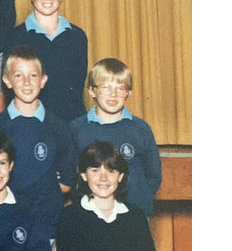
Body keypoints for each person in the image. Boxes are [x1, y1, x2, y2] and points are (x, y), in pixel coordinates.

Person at [0, 46, 77, 230]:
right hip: (4, 220)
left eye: (33, 76)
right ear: (7, 81)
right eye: (18, 75)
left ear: (43, 81)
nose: (27, 82)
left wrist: (42, 196)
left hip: (47, 221)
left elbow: (66, 183)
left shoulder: (59, 128)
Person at [69, 58, 162, 215]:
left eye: (120, 88)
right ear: (92, 90)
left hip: (134, 213)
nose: (113, 94)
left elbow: (153, 175)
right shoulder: (77, 129)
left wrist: (138, 200)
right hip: (91, 214)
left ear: (129, 93)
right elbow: (72, 173)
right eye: (105, 87)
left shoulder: (140, 129)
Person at [5, 0, 89, 122]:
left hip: (71, 121)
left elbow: (77, 85)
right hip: (33, 121)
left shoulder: (77, 36)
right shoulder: (16, 37)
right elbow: (12, 88)